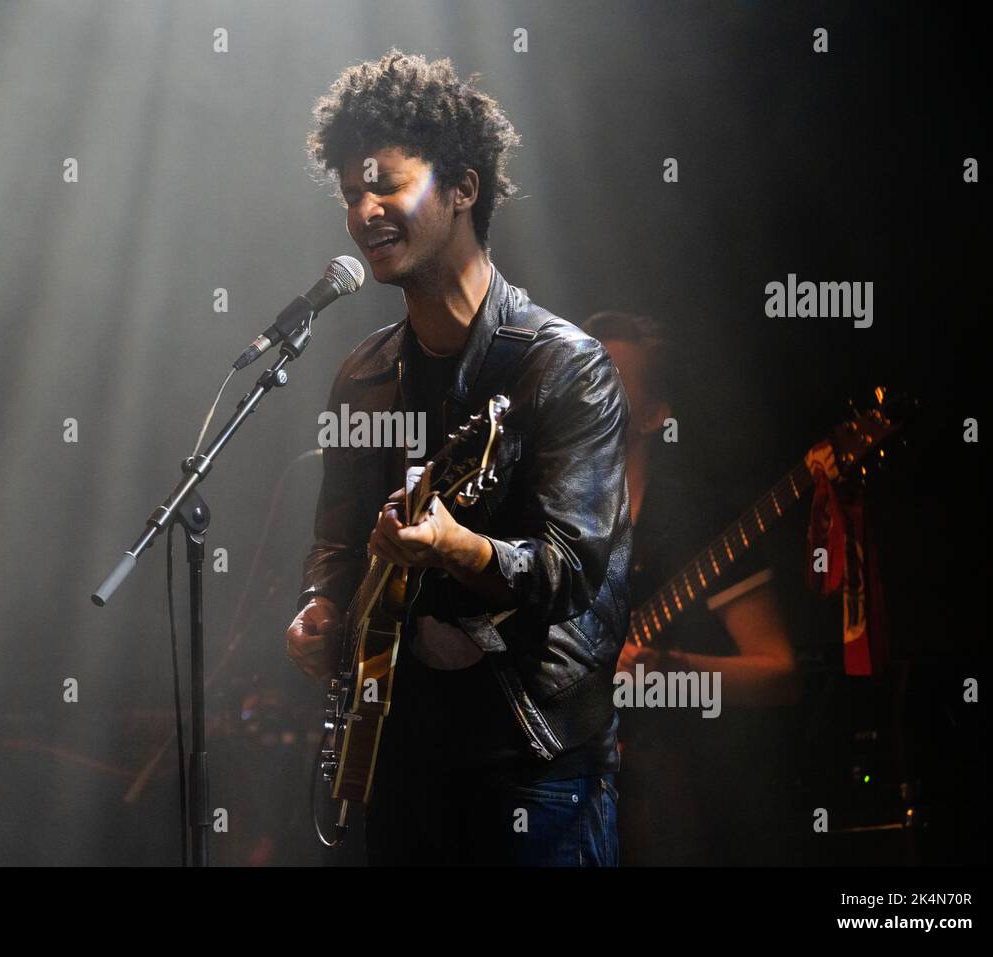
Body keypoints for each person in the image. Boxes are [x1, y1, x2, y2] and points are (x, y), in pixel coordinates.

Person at [284, 50, 632, 866]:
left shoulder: (561, 366)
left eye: (385, 184)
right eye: (350, 194)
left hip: (533, 771)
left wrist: (459, 548)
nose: (364, 209)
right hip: (399, 763)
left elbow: (575, 574)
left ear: (464, 188)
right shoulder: (362, 376)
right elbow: (336, 545)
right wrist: (321, 605)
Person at [583, 311, 801, 865]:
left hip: (685, 807)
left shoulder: (699, 523)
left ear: (655, 415)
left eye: (610, 377)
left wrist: (675, 671)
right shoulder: (555, 521)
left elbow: (779, 674)